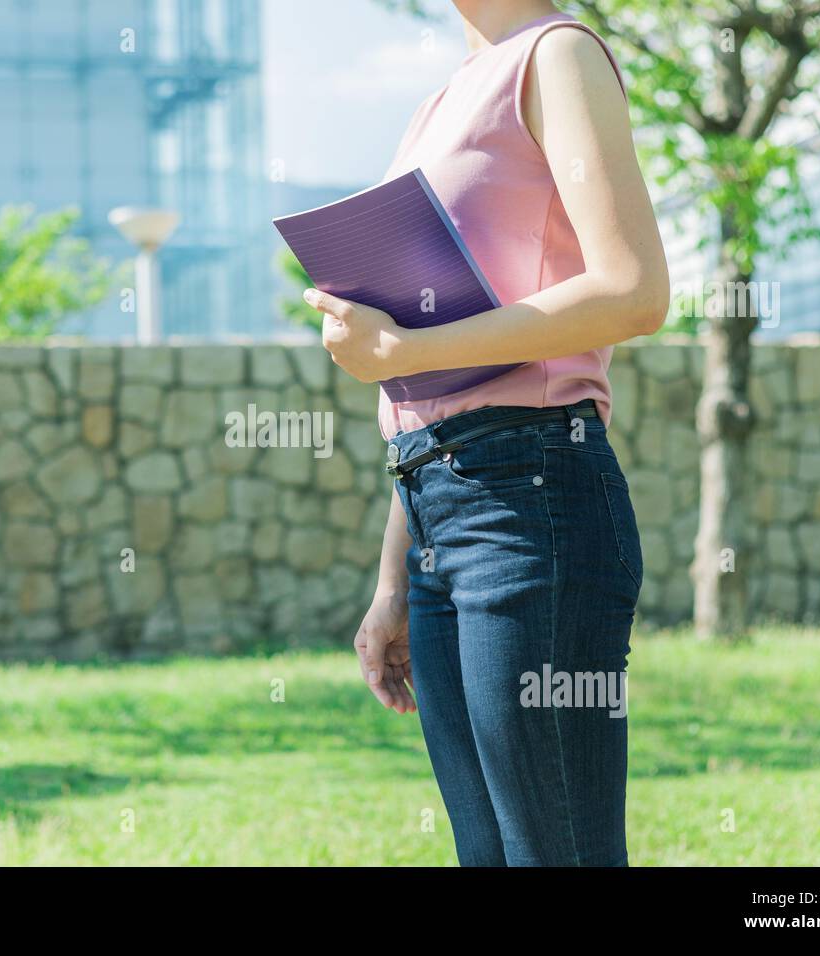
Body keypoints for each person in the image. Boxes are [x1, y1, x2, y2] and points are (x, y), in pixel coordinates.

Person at [304, 0, 670, 866]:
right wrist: (396, 575)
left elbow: (635, 289)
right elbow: (426, 383)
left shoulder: (558, 55)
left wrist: (408, 344)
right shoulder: (436, 104)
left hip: (533, 498)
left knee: (558, 853)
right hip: (436, 507)